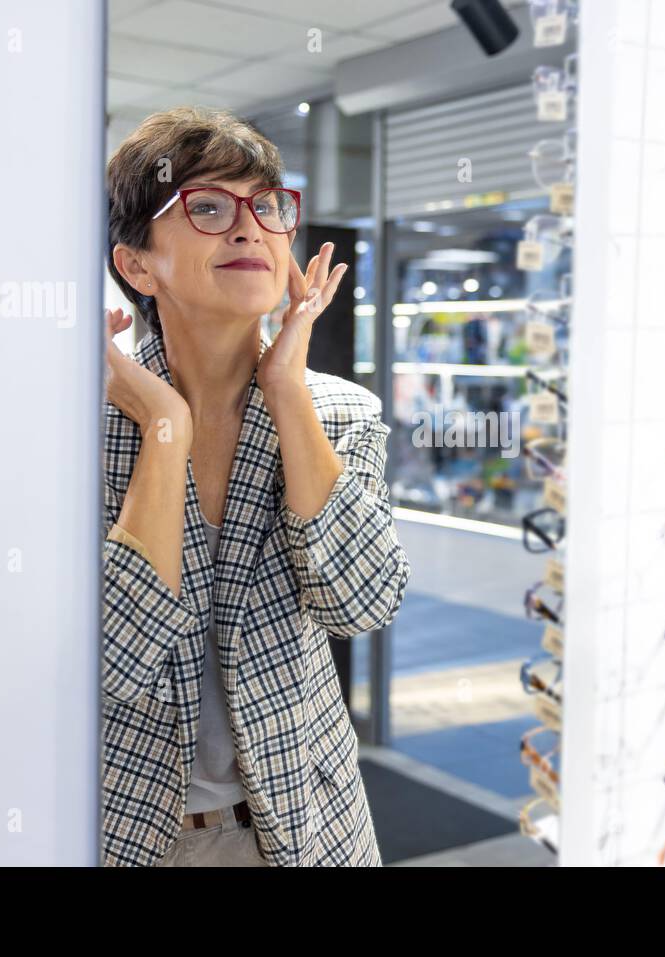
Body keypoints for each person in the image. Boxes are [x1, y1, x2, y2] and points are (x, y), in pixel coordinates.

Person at [100, 107, 410, 867]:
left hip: (307, 827)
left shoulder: (341, 413)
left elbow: (362, 602)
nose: (250, 229)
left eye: (268, 206)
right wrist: (164, 429)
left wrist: (288, 392)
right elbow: (113, 661)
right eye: (207, 207)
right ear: (137, 265)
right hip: (132, 836)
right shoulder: (79, 430)